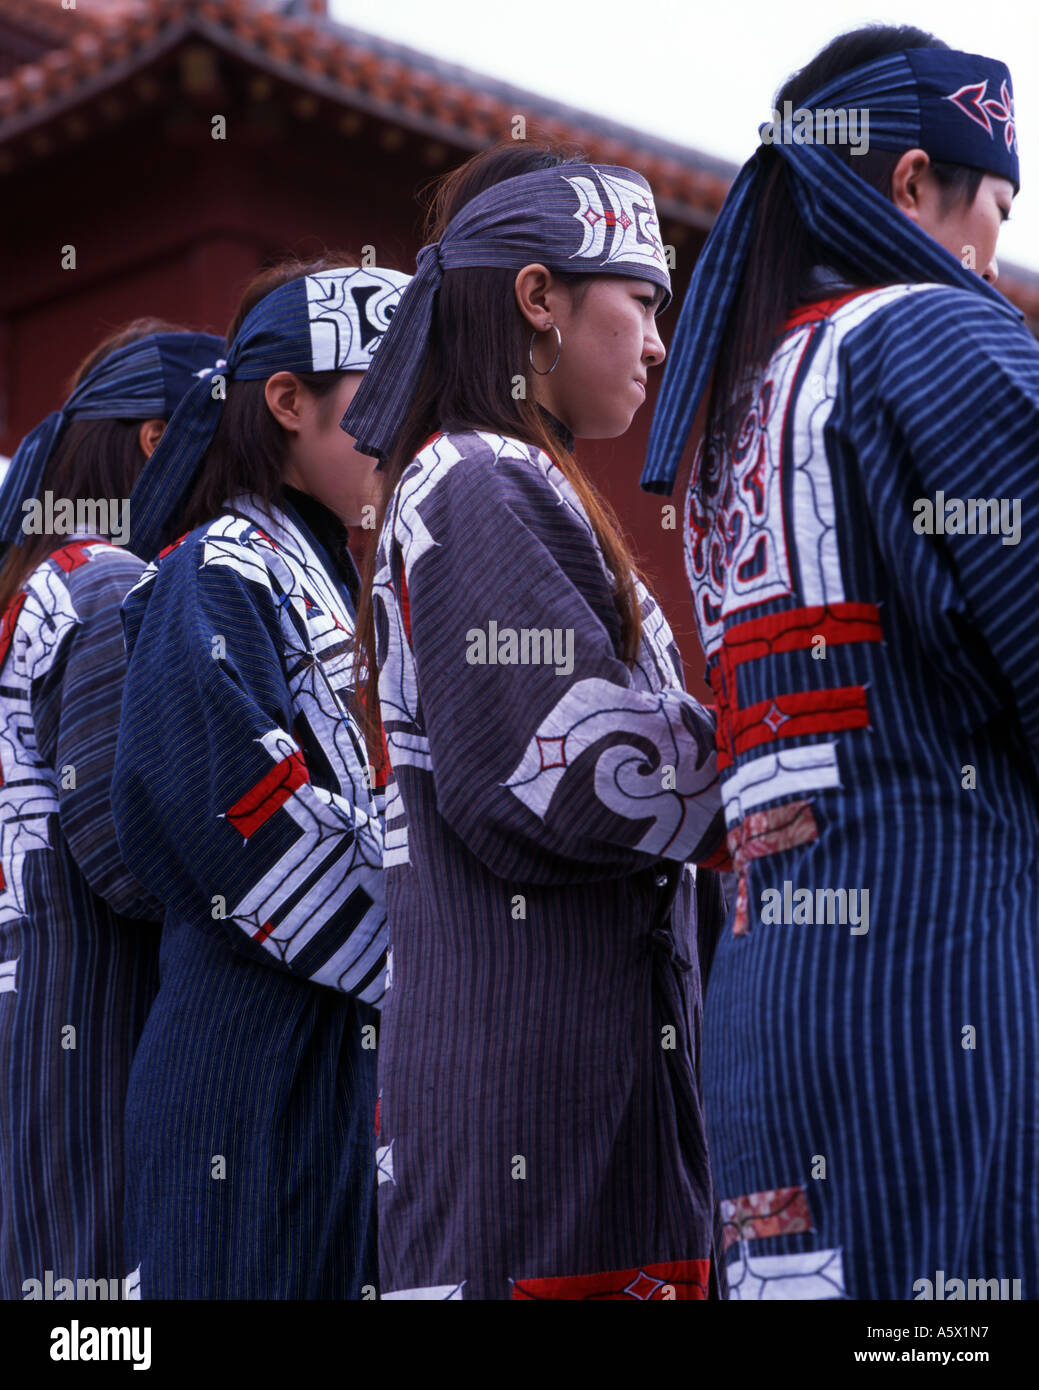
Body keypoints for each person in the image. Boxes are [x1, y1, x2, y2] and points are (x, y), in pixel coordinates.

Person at [642, 25, 1039, 1299]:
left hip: (771, 1010)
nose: (998, 250)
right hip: (947, 982)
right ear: (914, 183)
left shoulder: (740, 407)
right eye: (996, 205)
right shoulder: (938, 341)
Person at [344, 145, 728, 1301]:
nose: (659, 343)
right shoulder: (473, 478)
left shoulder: (505, 476)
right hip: (534, 1091)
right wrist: (795, 761)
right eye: (643, 299)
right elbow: (562, 765)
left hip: (557, 1073)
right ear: (538, 299)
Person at [110, 257, 410, 1299]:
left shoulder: (344, 577)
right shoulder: (217, 565)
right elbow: (230, 805)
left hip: (348, 1037)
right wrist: (434, 942)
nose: (415, 419)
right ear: (287, 400)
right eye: (388, 388)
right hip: (250, 1051)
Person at [0, 322, 225, 1300]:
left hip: (37, 994)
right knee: (90, 1294)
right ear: (153, 439)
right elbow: (116, 848)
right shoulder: (108, 585)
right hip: (82, 1009)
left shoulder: (48, 581)